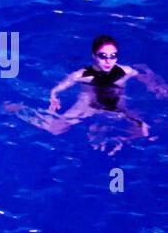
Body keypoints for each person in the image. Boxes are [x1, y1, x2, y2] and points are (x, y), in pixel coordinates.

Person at [17, 35, 158, 153]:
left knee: (144, 131)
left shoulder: (126, 72)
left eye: (113, 56)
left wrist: (155, 86)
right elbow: (58, 88)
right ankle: (16, 108)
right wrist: (54, 97)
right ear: (94, 56)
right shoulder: (83, 75)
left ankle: (108, 141)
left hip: (116, 107)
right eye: (103, 56)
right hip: (88, 106)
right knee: (56, 129)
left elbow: (143, 76)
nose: (108, 60)